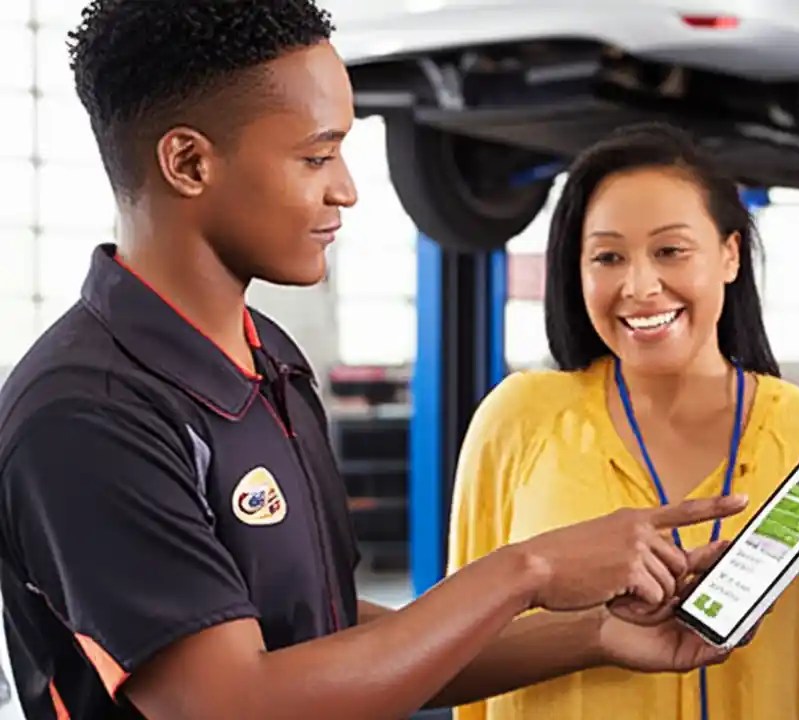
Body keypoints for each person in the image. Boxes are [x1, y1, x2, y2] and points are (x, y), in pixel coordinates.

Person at [0, 3, 751, 720]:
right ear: (189, 162)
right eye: (316, 156)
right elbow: (235, 703)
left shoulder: (269, 361)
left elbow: (326, 637)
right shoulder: (86, 416)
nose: (347, 189)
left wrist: (594, 634)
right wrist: (531, 570)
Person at [447, 122, 799, 720]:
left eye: (671, 250)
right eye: (608, 257)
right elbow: (450, 649)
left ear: (730, 254)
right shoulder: (518, 420)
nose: (640, 285)